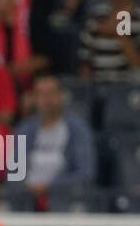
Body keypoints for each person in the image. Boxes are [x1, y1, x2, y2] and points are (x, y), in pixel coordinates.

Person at [14, 74, 95, 209]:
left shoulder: (78, 129)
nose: (47, 99)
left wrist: (49, 187)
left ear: (62, 96)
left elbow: (86, 174)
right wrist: (28, 187)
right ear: (34, 98)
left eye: (51, 93)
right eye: (41, 94)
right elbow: (13, 173)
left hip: (65, 198)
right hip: (26, 198)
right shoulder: (24, 129)